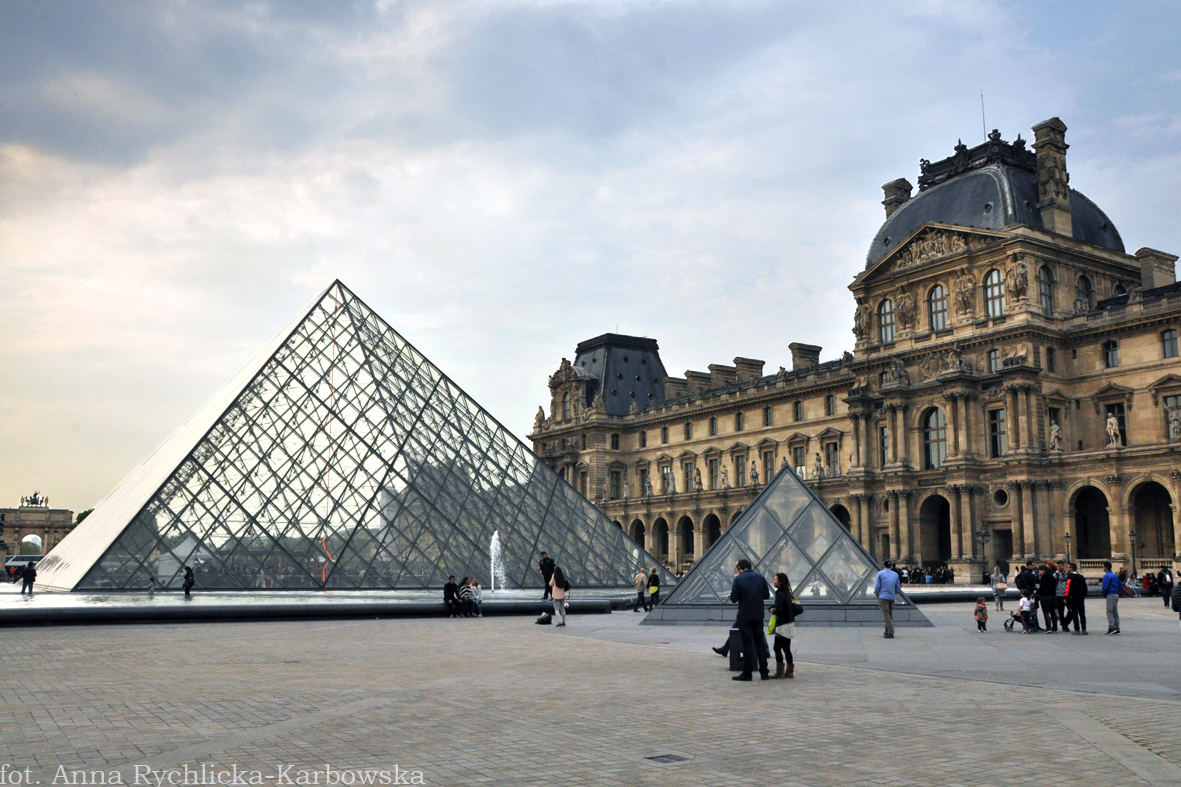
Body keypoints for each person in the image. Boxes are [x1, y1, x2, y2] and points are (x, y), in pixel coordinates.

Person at [728, 559, 770, 681]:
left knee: (747, 645)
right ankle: (764, 673)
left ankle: (747, 673)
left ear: (739, 567)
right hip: (758, 615)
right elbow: (766, 596)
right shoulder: (760, 577)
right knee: (760, 644)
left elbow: (734, 599)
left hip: (744, 615)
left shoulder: (738, 579)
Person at [768, 573, 797, 680]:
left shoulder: (780, 594)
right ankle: (789, 672)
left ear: (780, 582)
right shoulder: (787, 593)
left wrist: (772, 610)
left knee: (777, 648)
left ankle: (780, 672)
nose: (773, 581)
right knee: (786, 648)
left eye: (775, 579)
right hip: (789, 623)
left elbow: (779, 611)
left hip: (782, 625)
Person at [874, 559, 900, 639]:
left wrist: (877, 594)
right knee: (889, 614)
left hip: (883, 597)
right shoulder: (895, 574)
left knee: (886, 615)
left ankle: (891, 632)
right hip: (891, 597)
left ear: (883, 565)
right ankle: (887, 631)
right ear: (891, 566)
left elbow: (877, 587)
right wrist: (893, 593)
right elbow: (898, 588)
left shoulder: (880, 574)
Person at [1062, 562, 1088, 635]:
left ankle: (1077, 629)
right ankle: (1084, 629)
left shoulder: (1069, 577)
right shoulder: (1081, 576)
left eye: (1068, 567)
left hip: (1072, 597)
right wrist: (1083, 595)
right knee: (1082, 613)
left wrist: (1065, 597)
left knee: (1074, 613)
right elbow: (1085, 588)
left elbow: (1067, 587)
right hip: (1080, 597)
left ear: (1071, 568)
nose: (1067, 569)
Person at [1101, 561, 1122, 635]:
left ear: (1105, 567)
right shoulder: (1114, 575)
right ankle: (1117, 627)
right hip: (1116, 594)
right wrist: (1117, 591)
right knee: (1115, 612)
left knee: (1109, 611)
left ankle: (1111, 627)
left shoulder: (1107, 576)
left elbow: (1105, 587)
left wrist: (1104, 594)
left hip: (1110, 594)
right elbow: (1121, 585)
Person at [1038, 563, 1059, 633]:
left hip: (1045, 596)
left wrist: (1037, 592)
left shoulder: (1044, 577)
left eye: (1040, 571)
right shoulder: (1052, 577)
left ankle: (1048, 627)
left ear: (1043, 570)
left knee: (1046, 612)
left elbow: (1042, 587)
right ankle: (1055, 628)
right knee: (1053, 612)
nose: (1039, 573)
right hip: (1053, 596)